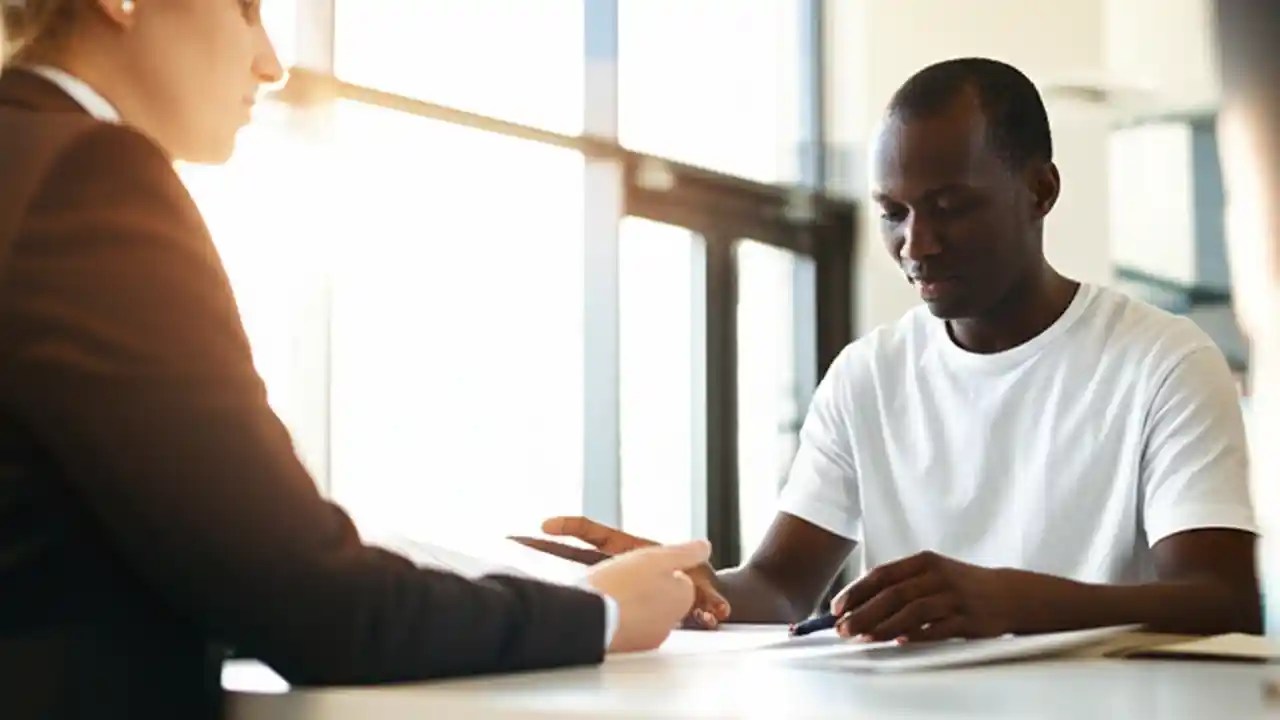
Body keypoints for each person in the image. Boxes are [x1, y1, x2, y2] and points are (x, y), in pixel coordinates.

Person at [0, 2, 705, 719]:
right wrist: (598, 614)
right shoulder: (86, 175)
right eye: (245, 9)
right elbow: (307, 601)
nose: (270, 63)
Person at [530, 57, 1262, 642]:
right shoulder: (869, 374)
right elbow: (782, 585)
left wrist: (1006, 598)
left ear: (1039, 191)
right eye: (893, 213)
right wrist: (683, 583)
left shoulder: (1164, 360)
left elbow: (1221, 599)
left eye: (950, 207)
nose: (916, 244)